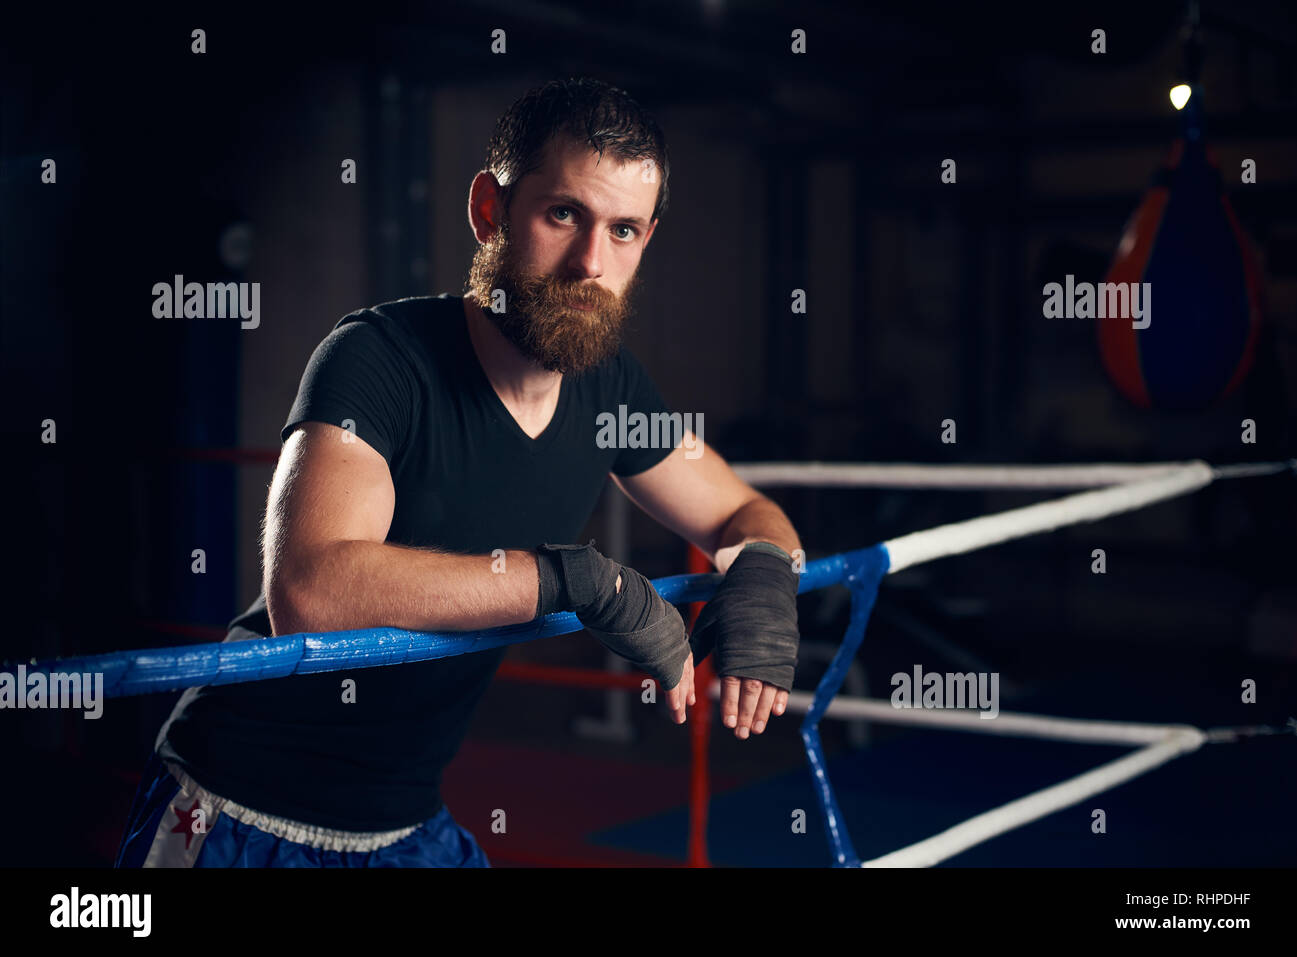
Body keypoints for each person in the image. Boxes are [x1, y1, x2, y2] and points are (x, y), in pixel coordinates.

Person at [115, 77, 803, 868]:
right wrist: (570, 582)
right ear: (490, 211)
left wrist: (763, 578)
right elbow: (310, 590)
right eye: (563, 215)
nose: (590, 261)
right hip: (240, 806)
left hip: (405, 822)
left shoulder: (611, 389)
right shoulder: (379, 358)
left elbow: (742, 512)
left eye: (623, 230)